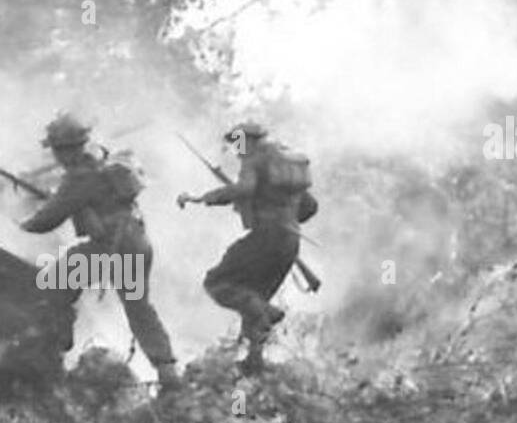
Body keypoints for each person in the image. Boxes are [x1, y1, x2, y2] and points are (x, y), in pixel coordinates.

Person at [19, 114, 181, 392]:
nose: (55, 155)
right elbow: (89, 200)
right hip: (137, 242)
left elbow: (45, 221)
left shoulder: (79, 178)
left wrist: (22, 223)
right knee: (139, 308)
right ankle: (167, 370)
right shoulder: (104, 160)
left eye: (57, 149)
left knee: (55, 280)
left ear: (65, 149)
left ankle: (52, 351)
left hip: (109, 249)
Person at [178, 121, 313, 375]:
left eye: (238, 142)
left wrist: (206, 197)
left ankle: (267, 314)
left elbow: (244, 188)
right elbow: (309, 207)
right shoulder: (288, 164)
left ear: (249, 140)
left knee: (217, 282)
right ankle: (254, 361)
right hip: (289, 240)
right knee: (255, 294)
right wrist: (280, 210)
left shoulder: (255, 161)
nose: (237, 149)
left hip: (266, 237)